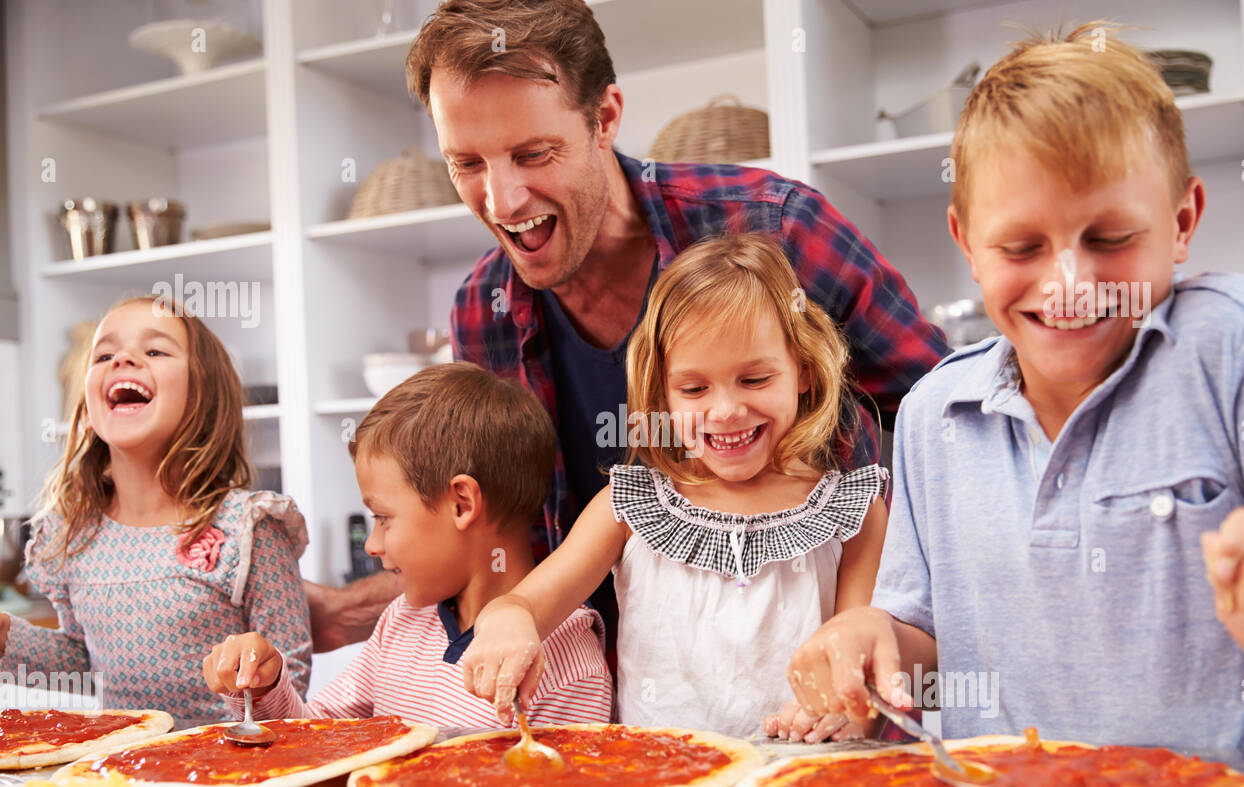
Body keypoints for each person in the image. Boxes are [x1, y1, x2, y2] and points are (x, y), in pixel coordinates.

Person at [304, 0, 948, 677]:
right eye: (466, 162)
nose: (502, 200)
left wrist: (879, 610)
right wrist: (353, 612)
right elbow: (501, 550)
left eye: (533, 154)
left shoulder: (775, 230)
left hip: (821, 693)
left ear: (605, 117)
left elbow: (950, 428)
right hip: (615, 699)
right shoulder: (482, 313)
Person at [782, 23, 1244, 750]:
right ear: (966, 244)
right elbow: (936, 663)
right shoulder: (936, 414)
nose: (1070, 285)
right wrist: (877, 642)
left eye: (1110, 239)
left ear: (1182, 223)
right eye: (1022, 247)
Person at [460, 233, 888, 739]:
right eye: (694, 388)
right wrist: (509, 620)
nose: (726, 411)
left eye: (754, 380)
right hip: (660, 786)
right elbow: (525, 605)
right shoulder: (626, 507)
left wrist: (849, 707)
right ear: (662, 392)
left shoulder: (855, 511)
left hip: (803, 786)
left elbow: (862, 673)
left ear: (802, 370)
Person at [203, 362, 612, 726]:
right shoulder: (400, 622)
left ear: (461, 504)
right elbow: (309, 740)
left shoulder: (567, 662)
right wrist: (262, 688)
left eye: (382, 518)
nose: (372, 545)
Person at [0, 297, 311, 722]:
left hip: (226, 773)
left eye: (154, 351)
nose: (123, 359)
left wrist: (257, 676)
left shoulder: (249, 526)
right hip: (122, 771)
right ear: (88, 411)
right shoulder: (72, 532)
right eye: (104, 354)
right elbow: (83, 661)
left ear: (203, 397)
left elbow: (289, 679)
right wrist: (5, 640)